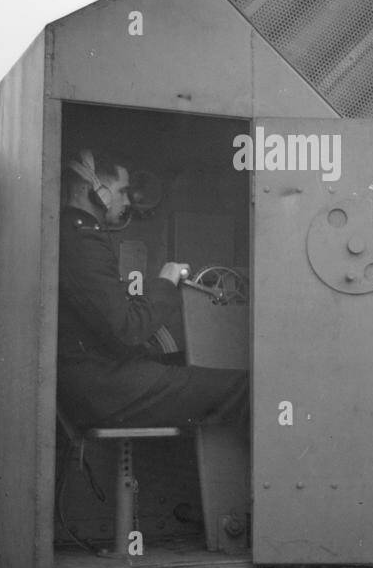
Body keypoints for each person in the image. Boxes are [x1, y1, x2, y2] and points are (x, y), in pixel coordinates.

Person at [56, 148, 248, 431]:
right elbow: (128, 330)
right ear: (95, 189)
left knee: (186, 364)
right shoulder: (83, 241)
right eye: (121, 191)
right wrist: (166, 281)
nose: (127, 201)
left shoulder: (76, 232)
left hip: (97, 380)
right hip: (103, 389)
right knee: (244, 388)